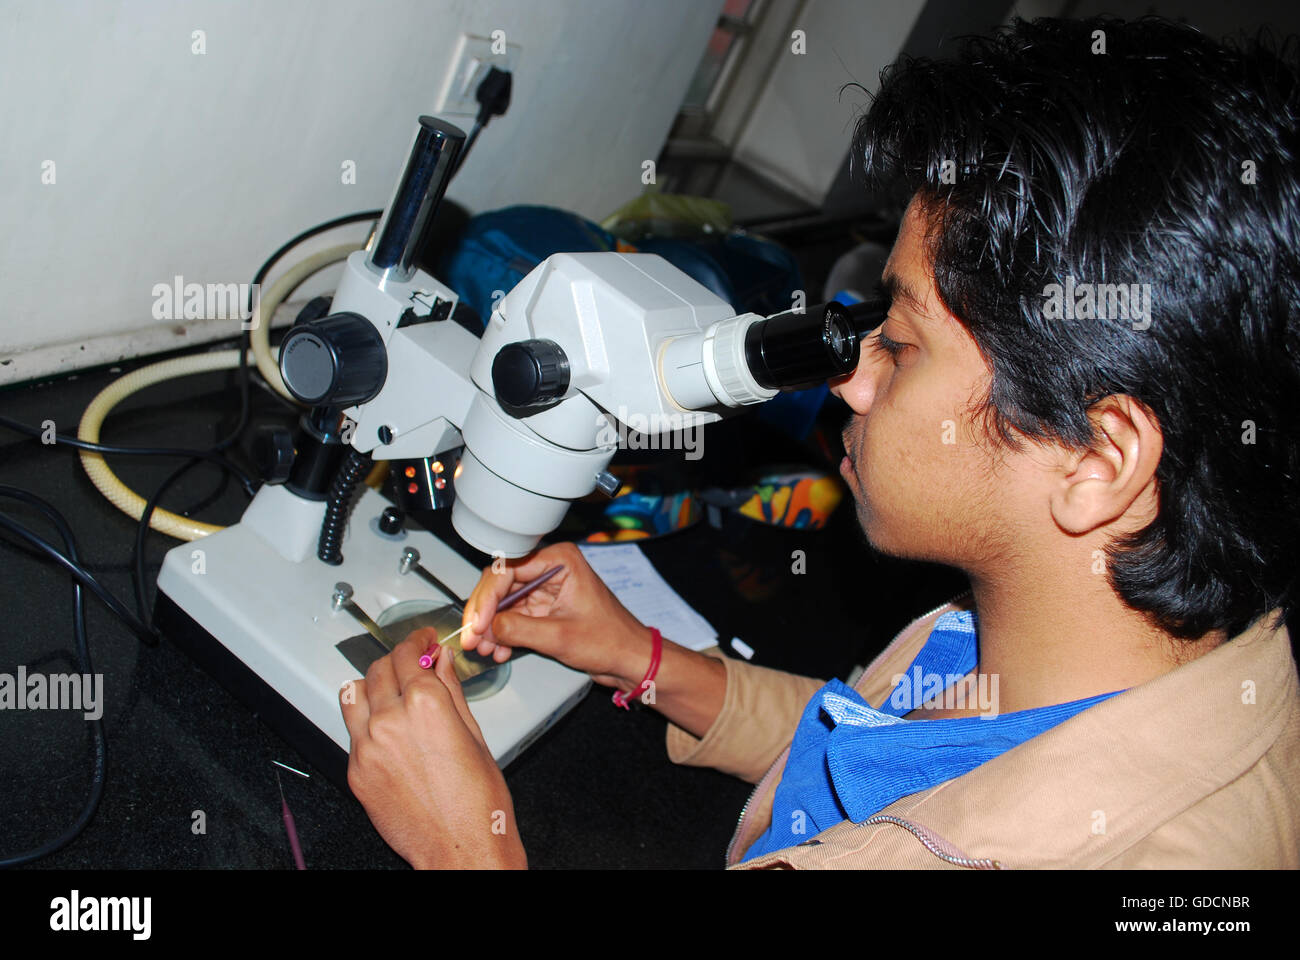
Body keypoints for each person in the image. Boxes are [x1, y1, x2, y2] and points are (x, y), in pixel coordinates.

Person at [340, 15, 1300, 869]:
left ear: (1098, 461)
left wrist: (470, 845)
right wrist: (644, 657)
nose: (853, 375)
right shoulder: (1079, 651)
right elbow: (875, 754)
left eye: (905, 342)